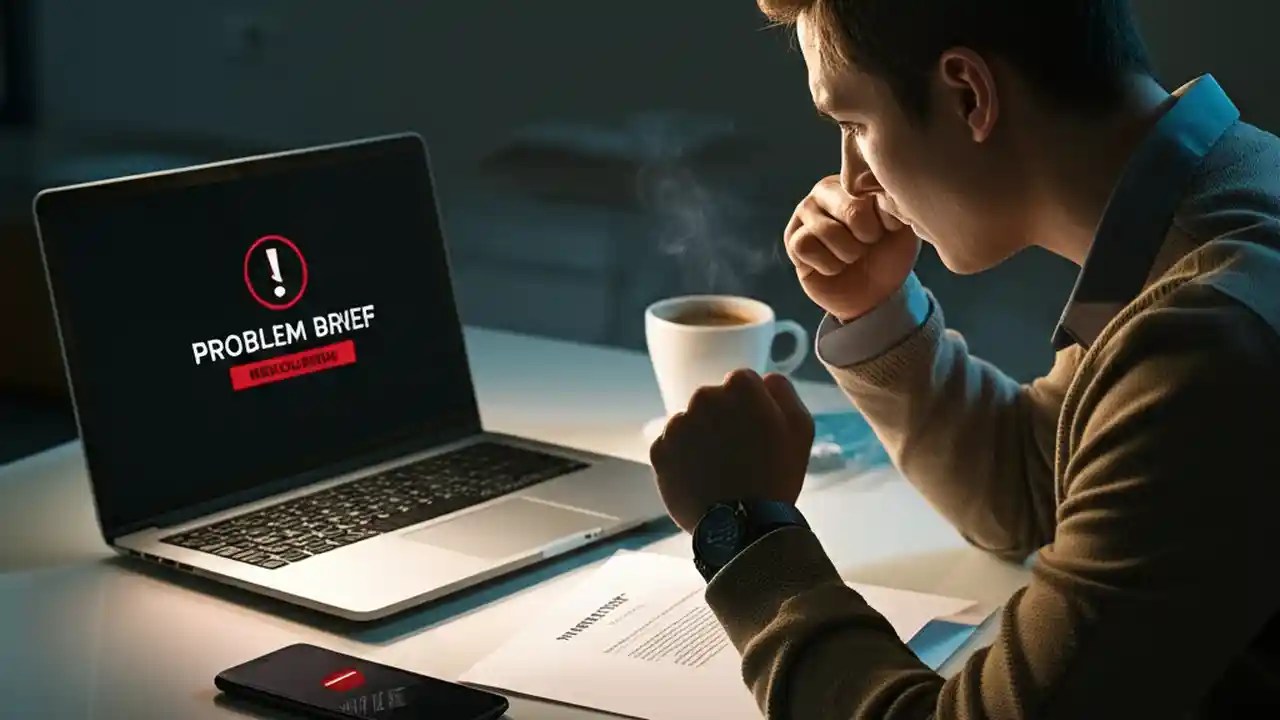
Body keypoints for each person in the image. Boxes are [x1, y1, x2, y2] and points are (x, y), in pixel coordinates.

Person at [646, 1, 1280, 717]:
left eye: (855, 124)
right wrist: (875, 311)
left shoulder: (1206, 345)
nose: (854, 181)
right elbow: (1032, 487)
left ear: (967, 96)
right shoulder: (1224, 196)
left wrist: (745, 535)